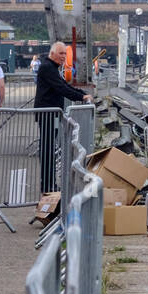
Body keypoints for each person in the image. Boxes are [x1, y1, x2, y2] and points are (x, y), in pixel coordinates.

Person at [33, 41, 93, 192]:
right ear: (52, 53)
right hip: (47, 114)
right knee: (47, 150)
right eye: (61, 53)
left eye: (65, 54)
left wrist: (82, 95)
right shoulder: (48, 68)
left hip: (51, 114)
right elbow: (61, 88)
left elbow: (65, 86)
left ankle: (49, 183)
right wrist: (82, 97)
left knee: (49, 150)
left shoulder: (52, 68)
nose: (63, 57)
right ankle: (47, 185)